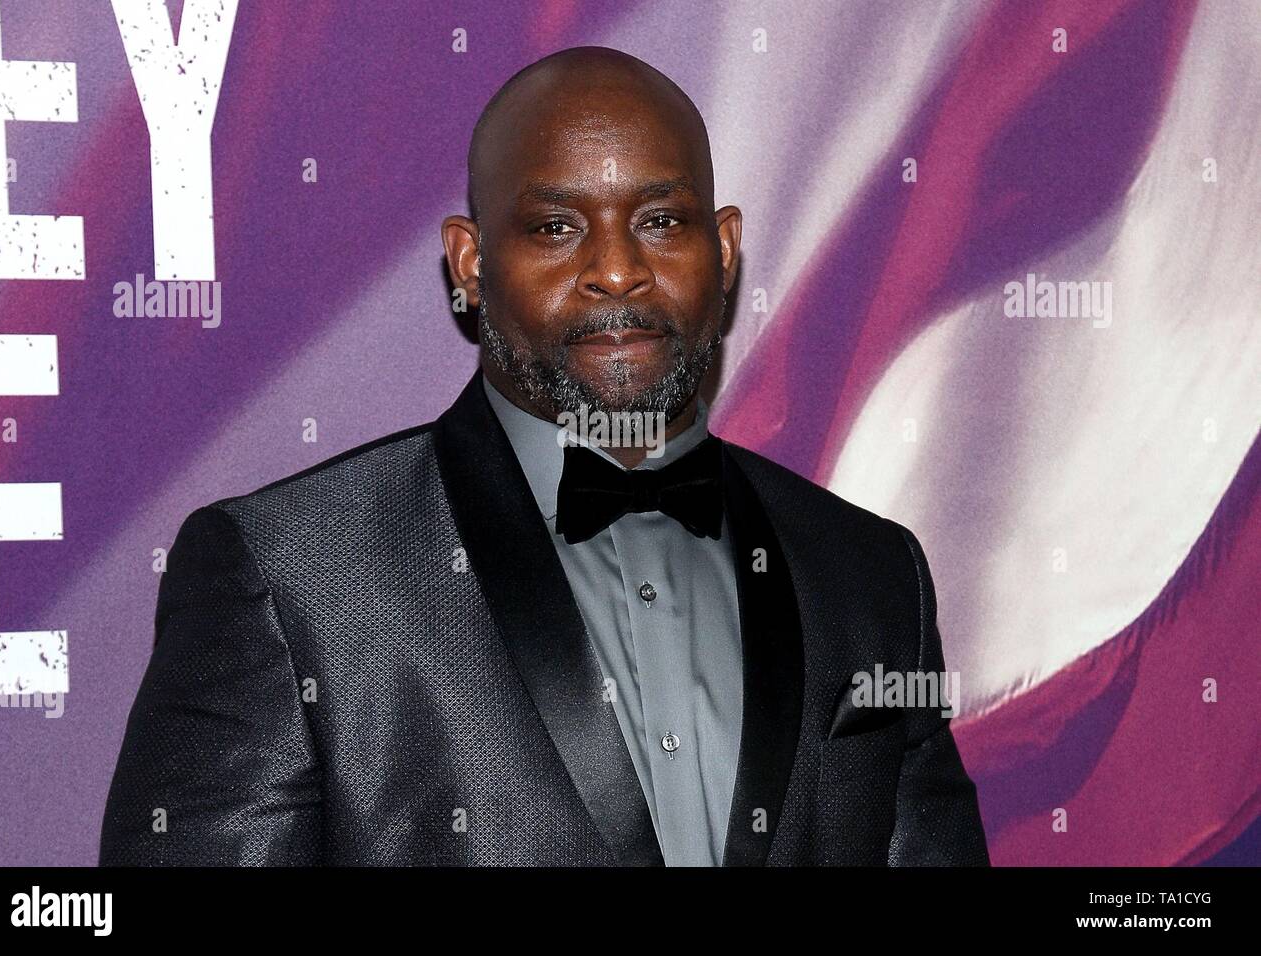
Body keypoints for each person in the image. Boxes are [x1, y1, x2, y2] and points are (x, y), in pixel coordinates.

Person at [99, 46, 990, 867]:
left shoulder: (872, 577)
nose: (615, 269)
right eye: (557, 227)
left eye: (660, 220)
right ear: (471, 262)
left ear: (721, 252)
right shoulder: (289, 577)